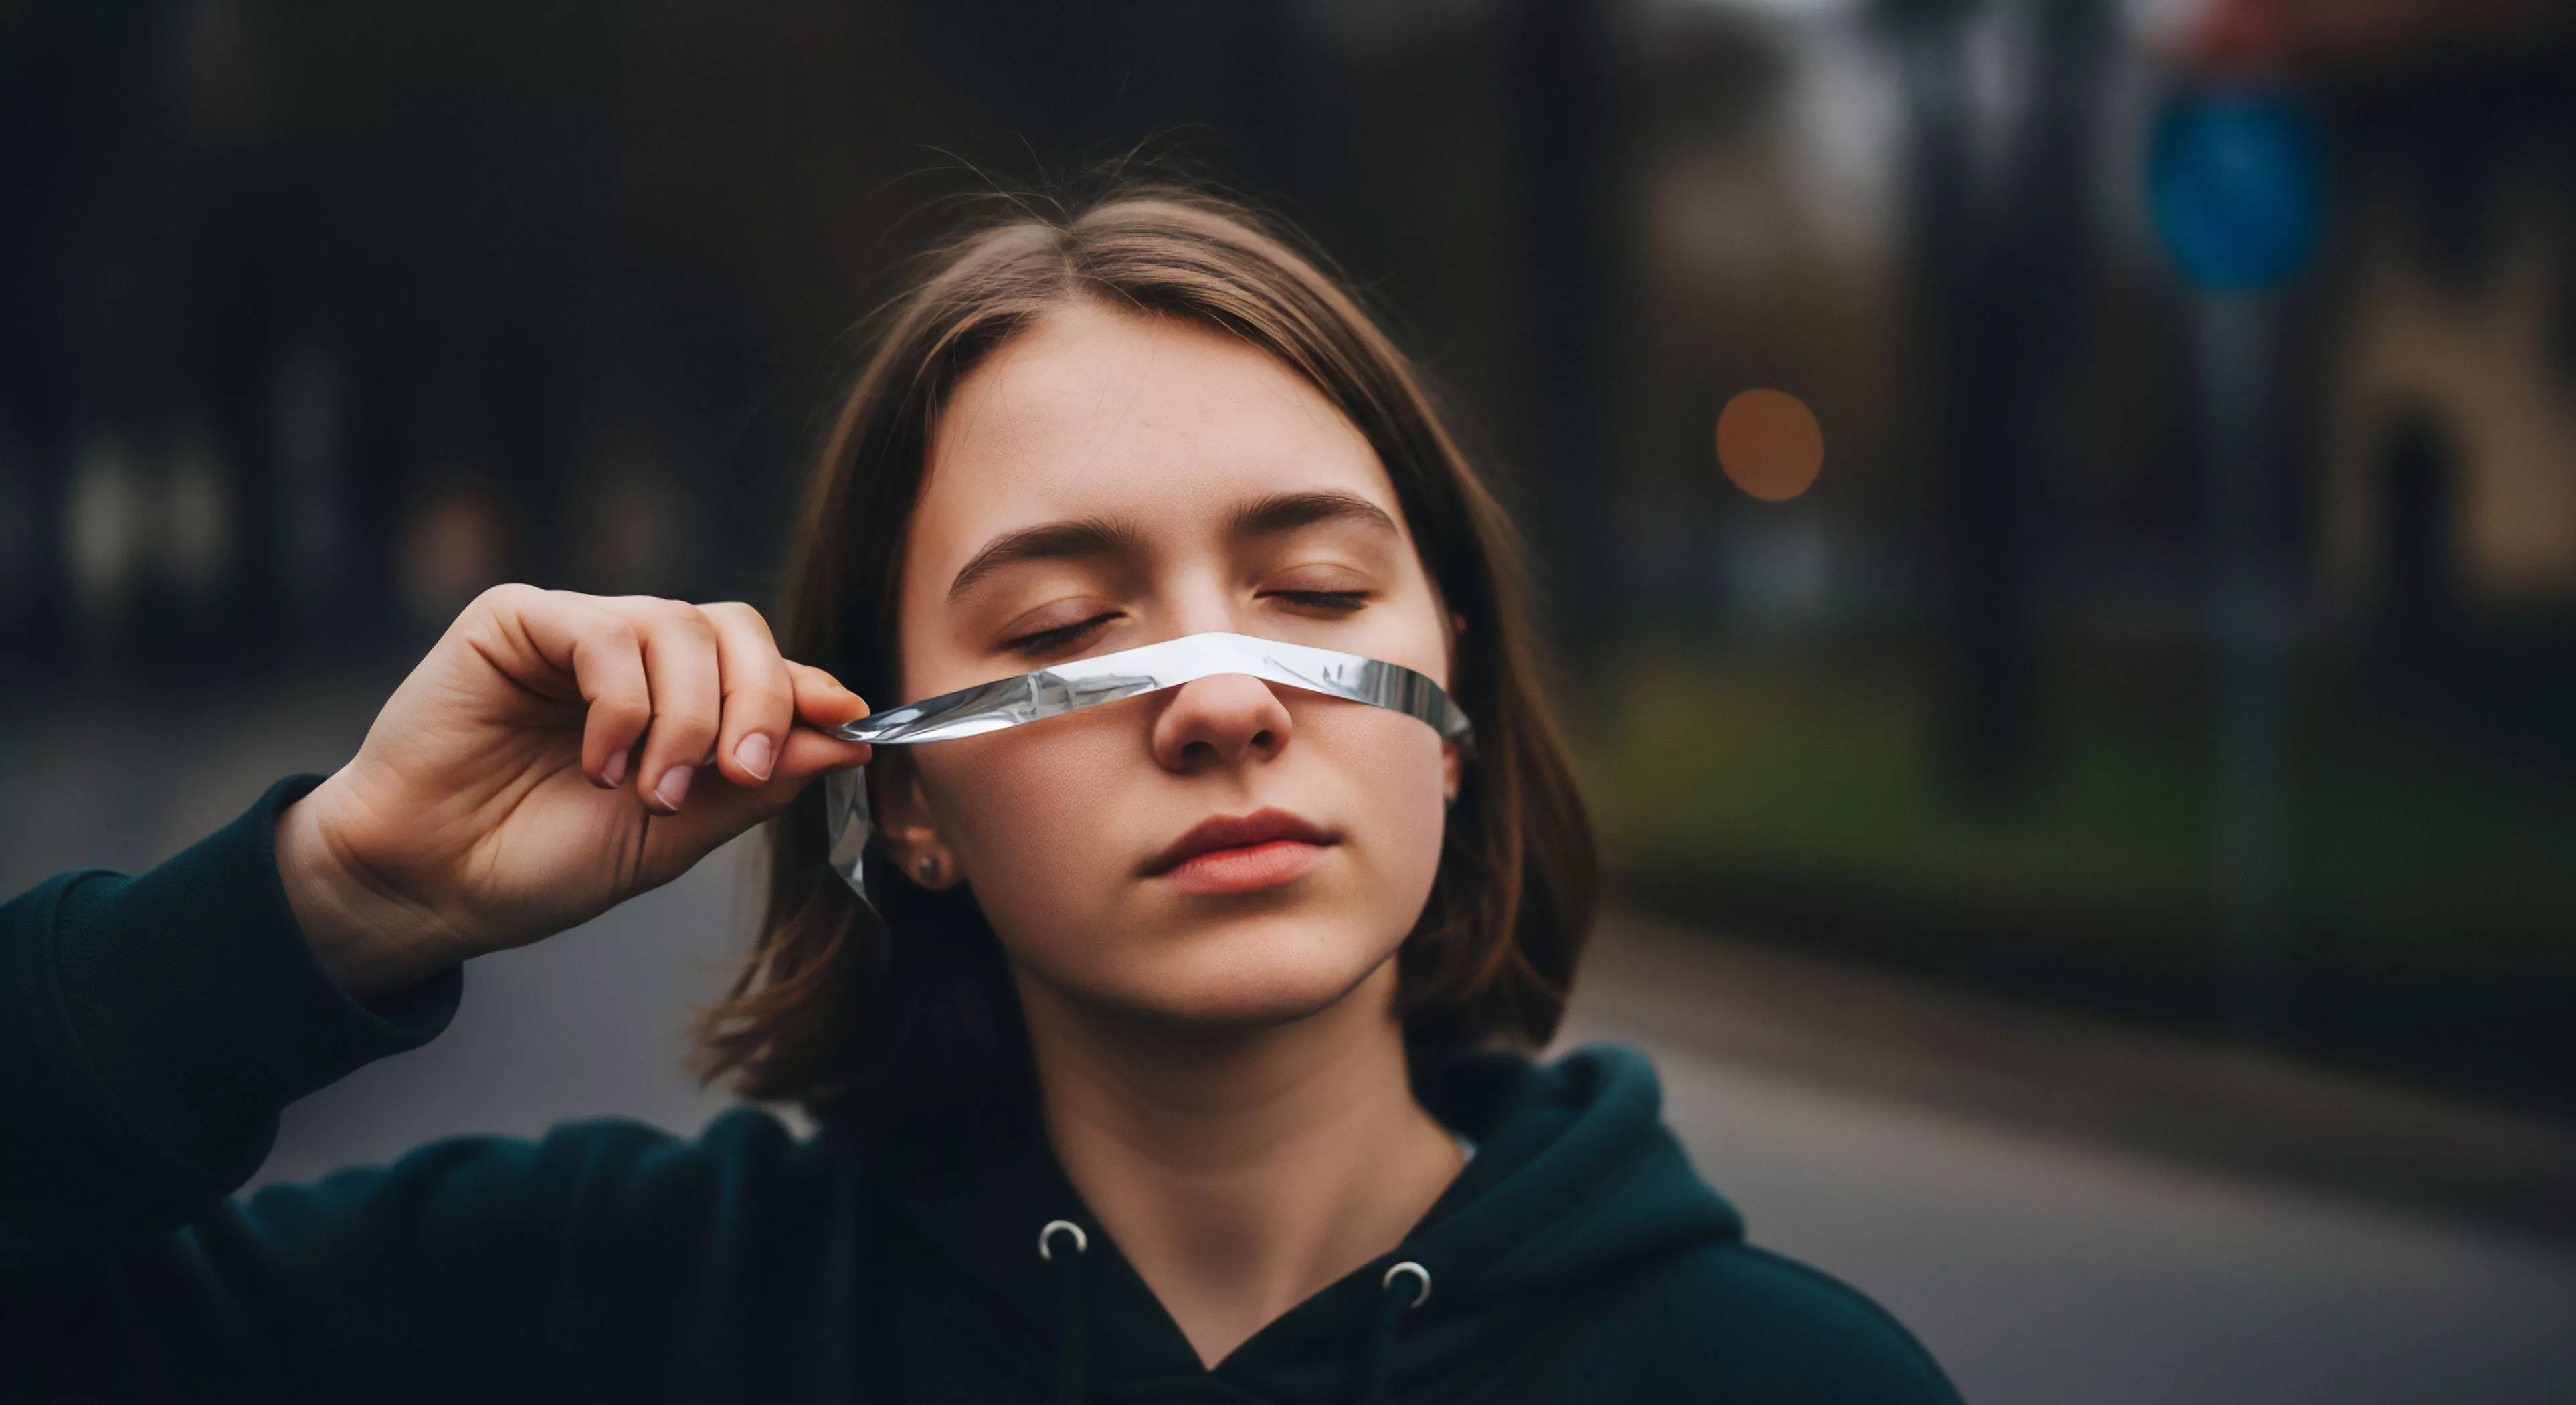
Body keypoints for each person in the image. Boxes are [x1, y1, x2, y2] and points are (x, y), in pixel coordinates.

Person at [2, 186, 1960, 1403]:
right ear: (899, 794)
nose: (1215, 695)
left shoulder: (1789, 1380)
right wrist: (324, 898)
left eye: (1314, 591)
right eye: (1061, 619)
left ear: (1447, 681)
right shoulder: (580, 1314)